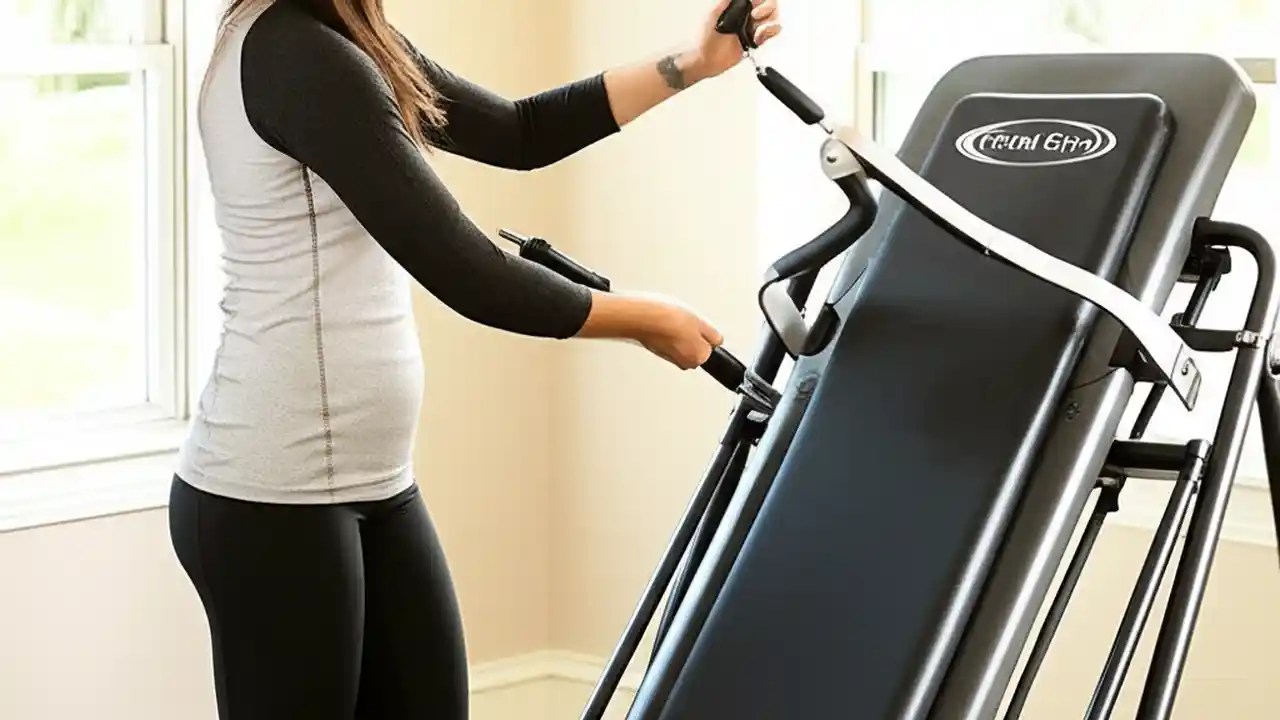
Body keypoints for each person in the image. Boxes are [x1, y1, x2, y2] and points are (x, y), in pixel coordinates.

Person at [168, 0, 782, 717]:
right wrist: (646, 318)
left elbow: (519, 131)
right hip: (275, 495)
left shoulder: (344, 36)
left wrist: (693, 62)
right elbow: (467, 273)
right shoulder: (297, 53)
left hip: (370, 482)